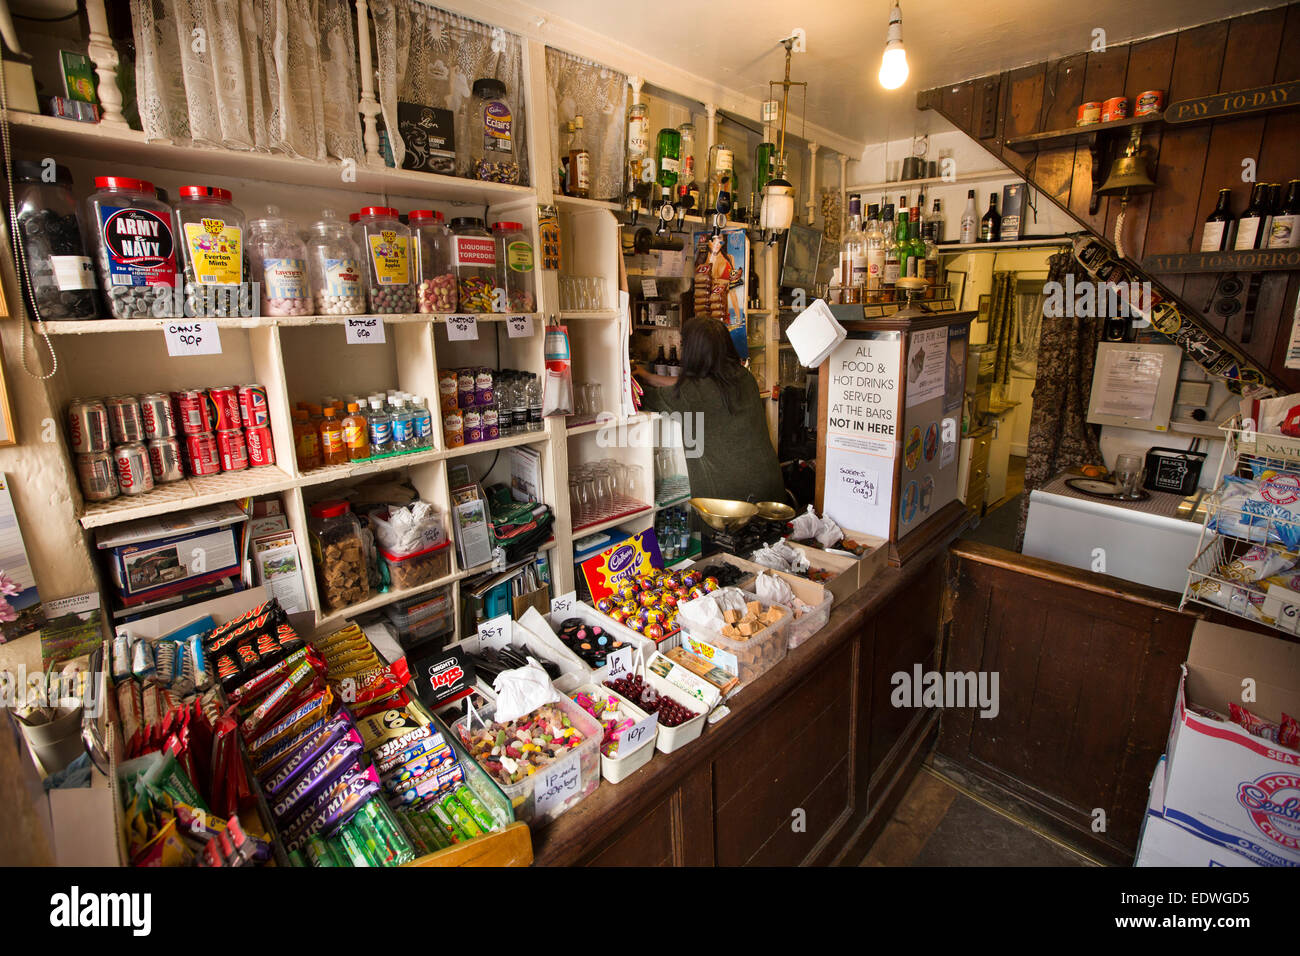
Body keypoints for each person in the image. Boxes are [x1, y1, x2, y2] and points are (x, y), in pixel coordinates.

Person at [634, 317, 786, 503]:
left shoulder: (692, 395)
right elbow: (691, 387)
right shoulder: (744, 376)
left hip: (735, 499)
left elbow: (640, 397)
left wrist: (628, 378)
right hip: (771, 486)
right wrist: (649, 376)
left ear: (693, 351)